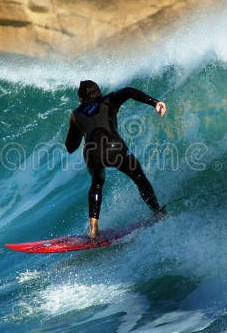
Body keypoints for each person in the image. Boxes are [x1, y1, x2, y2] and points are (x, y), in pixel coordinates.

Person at [65, 80, 167, 239]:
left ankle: (93, 228)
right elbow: (128, 91)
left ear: (80, 98)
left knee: (97, 183)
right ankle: (158, 213)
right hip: (115, 148)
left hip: (92, 153)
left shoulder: (76, 114)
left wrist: (81, 130)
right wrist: (154, 102)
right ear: (98, 92)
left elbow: (70, 147)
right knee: (139, 177)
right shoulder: (109, 99)